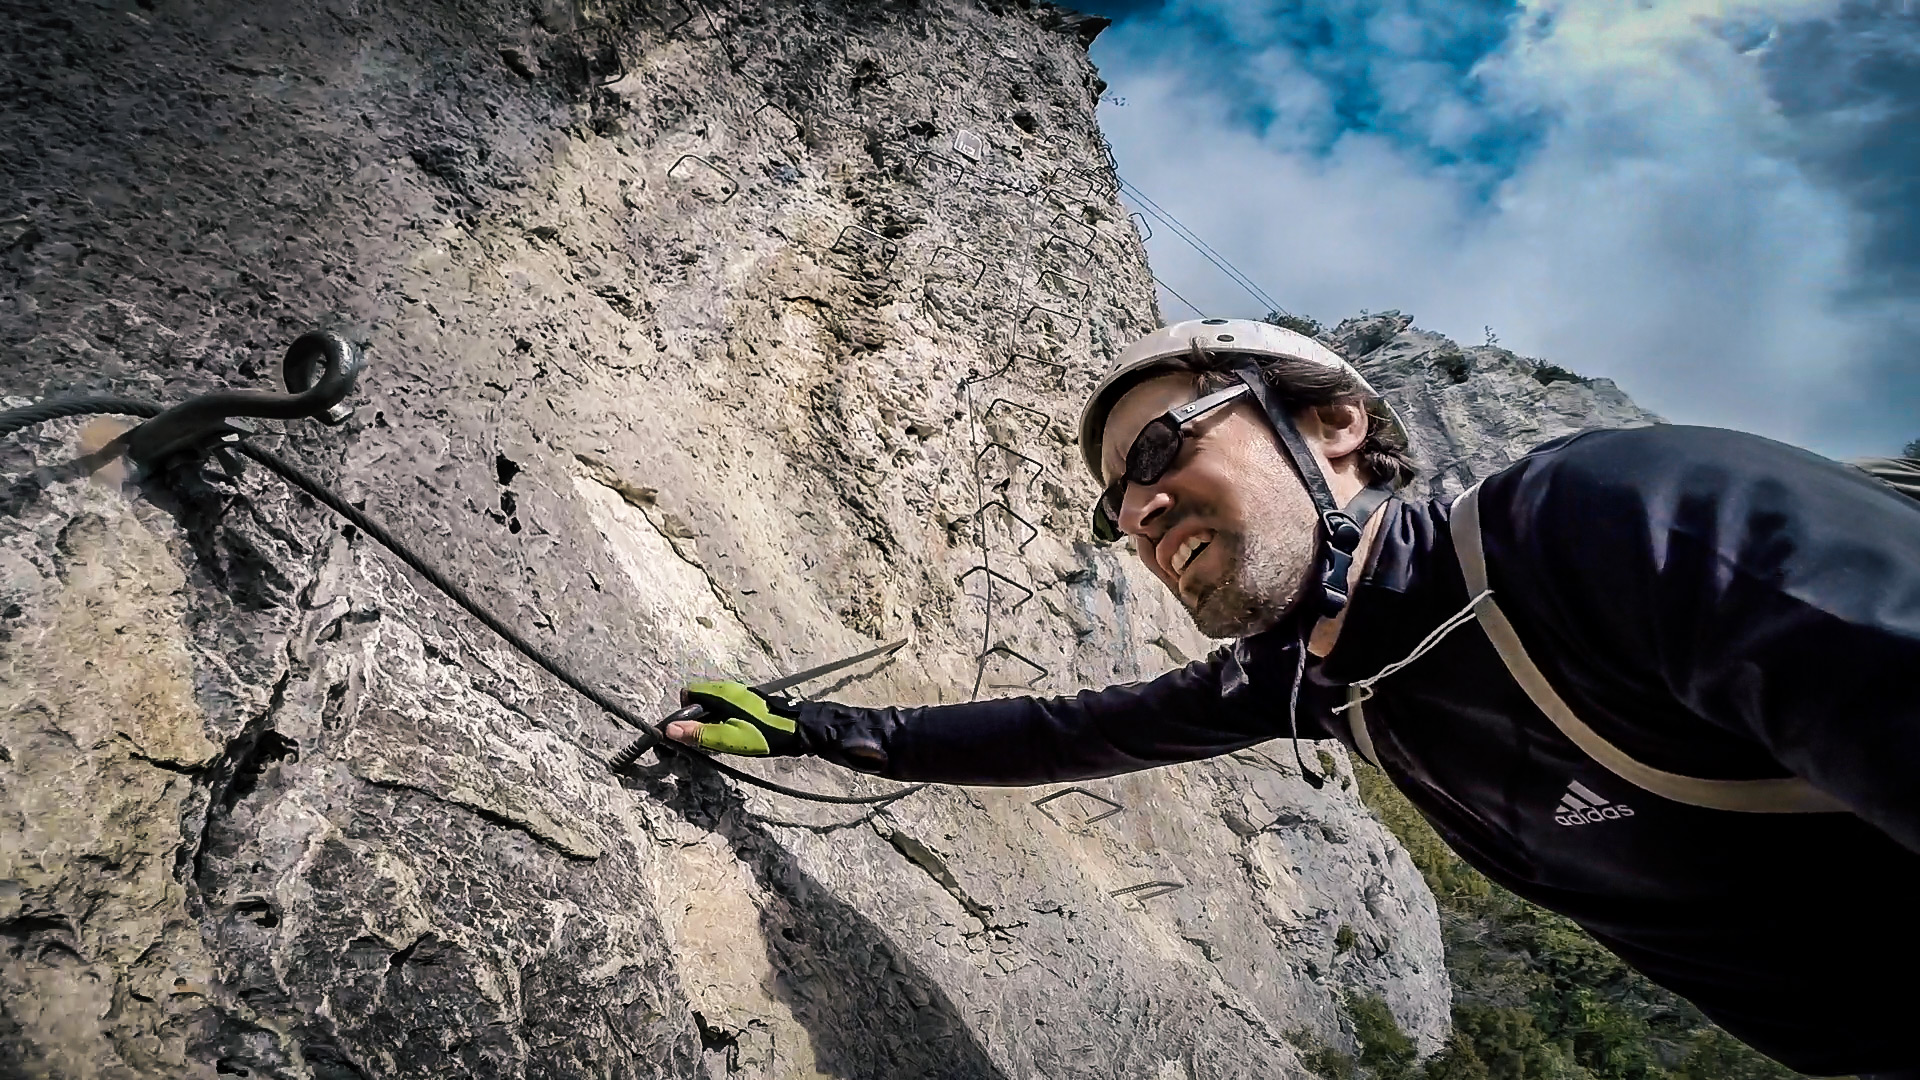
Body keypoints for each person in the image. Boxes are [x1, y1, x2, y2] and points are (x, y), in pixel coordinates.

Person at [665, 317, 1920, 1077]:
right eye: (1117, 507)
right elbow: (1068, 732)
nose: (1141, 511)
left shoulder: (1603, 523)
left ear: (1331, 424)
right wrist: (811, 728)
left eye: (1161, 452)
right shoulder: (1334, 682)